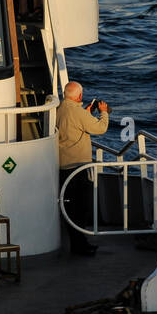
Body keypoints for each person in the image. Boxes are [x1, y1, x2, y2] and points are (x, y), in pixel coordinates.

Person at [57, 80, 109, 256]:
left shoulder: (59, 108)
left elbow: (73, 124)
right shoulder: (77, 112)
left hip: (62, 167)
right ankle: (81, 246)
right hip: (77, 169)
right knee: (81, 209)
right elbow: (100, 128)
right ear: (79, 96)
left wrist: (85, 113)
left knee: (70, 209)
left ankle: (78, 244)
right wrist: (103, 113)